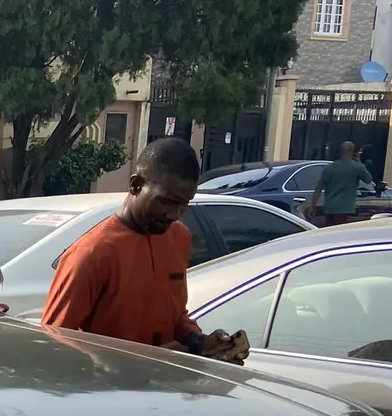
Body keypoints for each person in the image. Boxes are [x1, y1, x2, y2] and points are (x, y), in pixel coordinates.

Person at [41, 137, 246, 361]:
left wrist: (200, 342)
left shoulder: (179, 237)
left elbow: (175, 317)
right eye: (166, 202)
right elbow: (54, 344)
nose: (174, 214)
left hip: (166, 388)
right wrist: (138, 360)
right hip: (108, 392)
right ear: (136, 185)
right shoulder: (91, 253)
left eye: (184, 204)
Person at [310, 142, 372, 227]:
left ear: (340, 151)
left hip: (329, 208)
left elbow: (318, 188)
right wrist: (359, 161)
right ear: (352, 151)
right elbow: (368, 180)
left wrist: (313, 206)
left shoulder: (329, 168)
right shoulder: (357, 167)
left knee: (330, 232)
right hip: (346, 209)